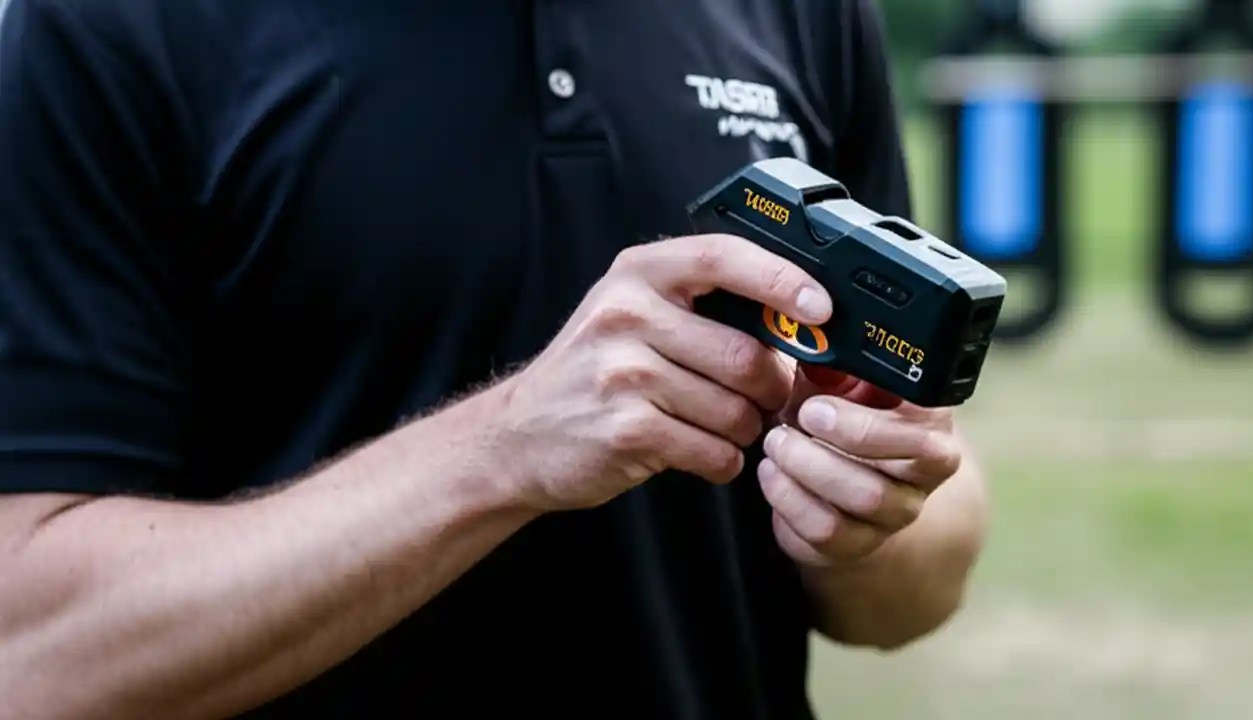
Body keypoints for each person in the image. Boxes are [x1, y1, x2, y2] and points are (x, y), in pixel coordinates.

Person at [0, 1, 990, 717]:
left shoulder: (806, 13)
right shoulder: (111, 26)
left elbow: (918, 589)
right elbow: (34, 658)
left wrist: (868, 512)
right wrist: (502, 452)